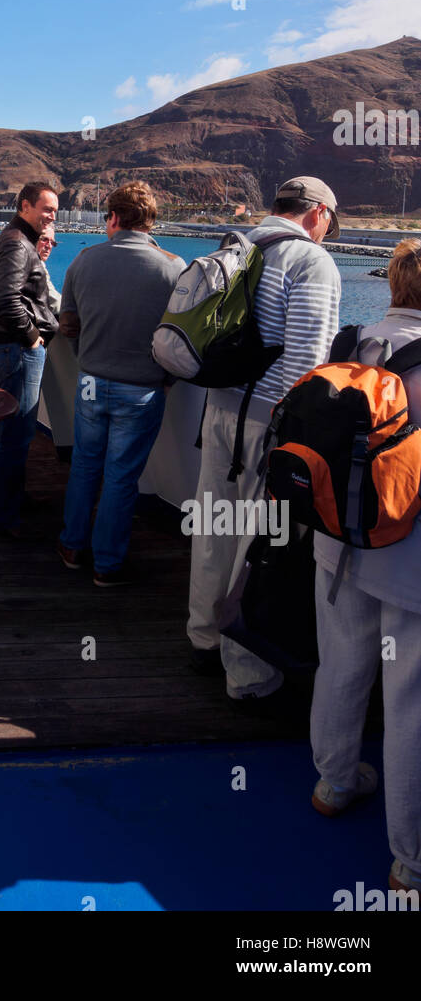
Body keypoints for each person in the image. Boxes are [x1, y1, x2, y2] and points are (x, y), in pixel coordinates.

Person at [187, 174, 342, 704]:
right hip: (266, 424)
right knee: (258, 542)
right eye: (330, 223)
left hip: (218, 413)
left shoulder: (242, 244)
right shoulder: (311, 261)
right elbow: (309, 362)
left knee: (212, 527)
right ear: (318, 213)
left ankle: (203, 638)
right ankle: (247, 674)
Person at [308, 240, 421, 898]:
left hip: (338, 543)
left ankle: (333, 781)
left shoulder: (352, 341)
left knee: (342, 662)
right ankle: (408, 858)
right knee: (408, 699)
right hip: (407, 561)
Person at [57, 182, 184, 585]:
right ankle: (107, 566)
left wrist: (87, 359)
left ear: (112, 218)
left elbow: (68, 326)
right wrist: (166, 380)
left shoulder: (82, 261)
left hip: (91, 381)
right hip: (143, 389)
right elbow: (181, 339)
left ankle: (73, 546)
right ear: (150, 221)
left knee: (83, 466)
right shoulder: (174, 268)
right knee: (121, 477)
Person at [0, 182, 60, 538]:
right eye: (46, 209)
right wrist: (32, 337)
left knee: (7, 428)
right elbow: (6, 299)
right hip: (17, 350)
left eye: (55, 211)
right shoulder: (17, 242)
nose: (51, 216)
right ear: (25, 206)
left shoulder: (17, 238)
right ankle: (3, 517)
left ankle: (3, 497)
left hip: (7, 348)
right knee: (18, 433)